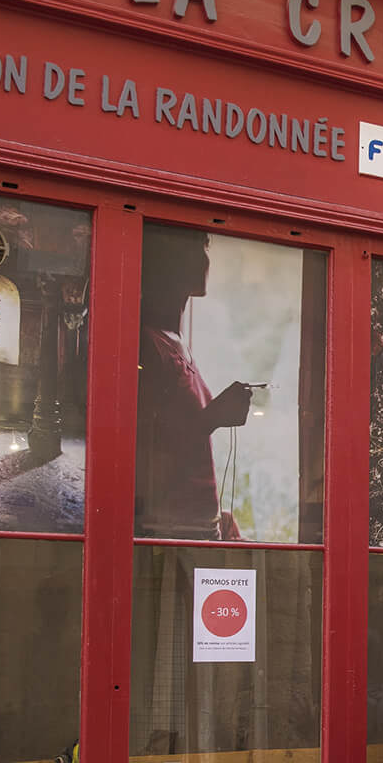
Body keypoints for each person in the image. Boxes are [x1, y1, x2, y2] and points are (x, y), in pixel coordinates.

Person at [135, 225, 254, 540]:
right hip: (169, 530)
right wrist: (212, 419)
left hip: (196, 523)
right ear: (168, 262)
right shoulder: (147, 343)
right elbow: (143, 442)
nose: (204, 259)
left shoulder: (175, 340)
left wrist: (218, 515)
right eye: (196, 247)